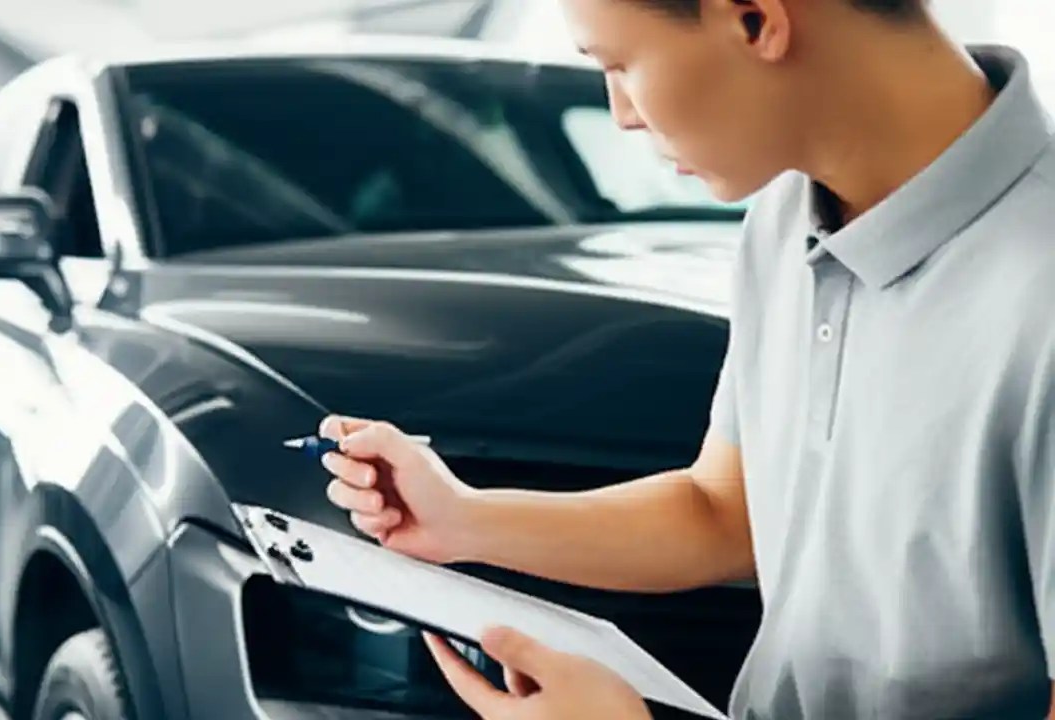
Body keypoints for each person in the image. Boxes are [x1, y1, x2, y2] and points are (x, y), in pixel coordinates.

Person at [320, 0, 1055, 718]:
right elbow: (725, 512)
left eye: (619, 63)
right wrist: (464, 520)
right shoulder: (785, 217)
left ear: (754, 20)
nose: (621, 114)